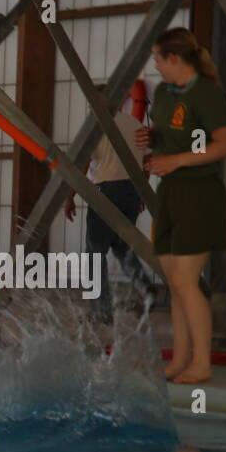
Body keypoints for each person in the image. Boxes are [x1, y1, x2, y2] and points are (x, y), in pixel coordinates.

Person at [136, 27, 226, 384]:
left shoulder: (207, 94)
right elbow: (173, 133)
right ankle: (180, 359)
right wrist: (153, 138)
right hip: (171, 192)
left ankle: (202, 363)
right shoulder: (164, 92)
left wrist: (177, 159)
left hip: (199, 192)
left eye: (158, 60)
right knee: (174, 281)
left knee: (186, 281)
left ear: (174, 58)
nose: (156, 66)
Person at [65, 85, 148, 318]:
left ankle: (101, 310)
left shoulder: (95, 126)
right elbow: (145, 160)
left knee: (94, 252)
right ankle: (145, 288)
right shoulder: (135, 125)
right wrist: (141, 193)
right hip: (131, 191)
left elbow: (82, 164)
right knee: (122, 246)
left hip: (106, 190)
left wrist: (70, 196)